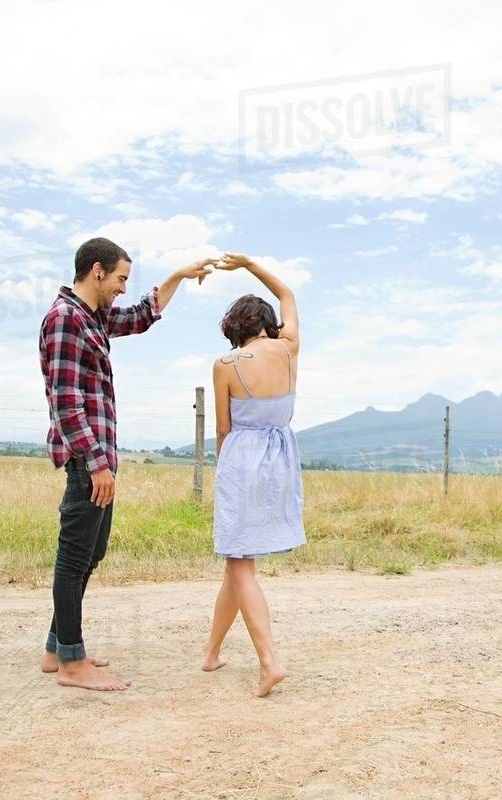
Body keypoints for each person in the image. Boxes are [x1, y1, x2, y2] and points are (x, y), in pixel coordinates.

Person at [38, 236, 214, 691]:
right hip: (88, 460)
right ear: (96, 270)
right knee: (74, 558)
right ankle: (72, 665)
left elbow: (140, 316)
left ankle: (59, 648)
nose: (122, 288)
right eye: (119, 278)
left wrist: (177, 276)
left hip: (99, 459)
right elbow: (66, 402)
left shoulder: (91, 318)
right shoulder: (64, 319)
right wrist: (97, 464)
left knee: (89, 553)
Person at [201, 252, 306, 698]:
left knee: (240, 561)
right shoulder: (288, 348)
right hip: (281, 457)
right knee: (238, 561)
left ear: (236, 328)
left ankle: (269, 661)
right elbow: (287, 292)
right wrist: (248, 265)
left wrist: (225, 470)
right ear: (268, 323)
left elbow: (223, 430)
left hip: (242, 458)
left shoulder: (226, 365)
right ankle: (211, 652)